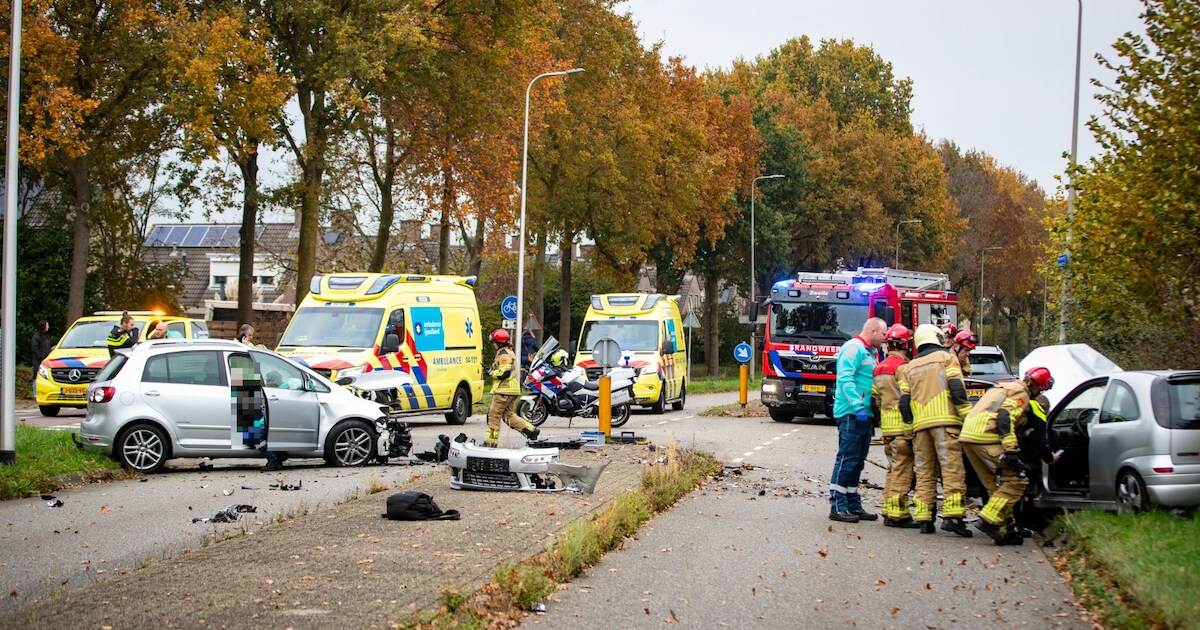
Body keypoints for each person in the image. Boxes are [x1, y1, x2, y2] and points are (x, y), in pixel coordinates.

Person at [959, 367, 1054, 545]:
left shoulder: (1003, 387)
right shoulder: (1021, 393)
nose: (1040, 393)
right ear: (1035, 386)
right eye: (1041, 389)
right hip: (986, 437)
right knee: (1018, 478)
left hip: (969, 437)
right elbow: (1004, 417)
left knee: (993, 485)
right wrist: (1010, 450)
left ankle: (1006, 530)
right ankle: (988, 519)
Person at [897, 324, 973, 537]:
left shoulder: (910, 367)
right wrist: (967, 416)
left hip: (921, 428)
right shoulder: (947, 358)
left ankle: (924, 519)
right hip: (945, 423)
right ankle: (953, 518)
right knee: (951, 469)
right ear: (937, 338)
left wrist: (909, 428)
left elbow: (904, 402)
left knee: (924, 472)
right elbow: (957, 389)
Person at [828, 317, 888, 523]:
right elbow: (845, 378)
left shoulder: (871, 352)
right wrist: (857, 405)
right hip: (851, 413)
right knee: (847, 458)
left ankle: (852, 502)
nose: (885, 338)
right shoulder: (853, 348)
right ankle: (837, 504)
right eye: (883, 334)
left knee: (858, 461)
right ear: (872, 331)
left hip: (865, 414)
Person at [872, 323, 920, 528]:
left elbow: (876, 399)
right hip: (902, 427)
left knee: (893, 469)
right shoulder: (903, 367)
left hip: (887, 427)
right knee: (903, 469)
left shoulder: (878, 368)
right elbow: (907, 398)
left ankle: (887, 508)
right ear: (906, 345)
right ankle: (898, 514)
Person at [485, 329, 540, 447]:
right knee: (508, 416)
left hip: (504, 390)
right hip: (511, 390)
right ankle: (531, 431)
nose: (493, 344)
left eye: (494, 342)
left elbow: (504, 373)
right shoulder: (507, 352)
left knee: (493, 415)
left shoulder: (504, 354)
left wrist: (491, 372)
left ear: (499, 342)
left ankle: (490, 443)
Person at [31, 320, 52, 396]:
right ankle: (35, 394)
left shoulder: (46, 336)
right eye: (47, 325)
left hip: (45, 360)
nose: (48, 327)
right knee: (37, 375)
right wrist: (41, 356)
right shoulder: (36, 336)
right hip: (38, 360)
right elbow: (34, 348)